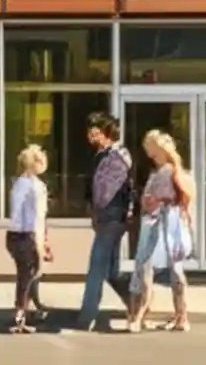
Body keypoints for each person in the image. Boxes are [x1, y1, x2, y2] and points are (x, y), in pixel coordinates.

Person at [128, 130, 194, 333]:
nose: (148, 153)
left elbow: (182, 198)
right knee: (168, 269)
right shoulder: (165, 171)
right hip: (160, 222)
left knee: (149, 268)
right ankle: (178, 316)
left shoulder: (169, 171)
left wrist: (156, 201)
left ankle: (142, 317)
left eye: (150, 147)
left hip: (163, 223)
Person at [76, 111, 133, 331]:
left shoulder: (117, 156)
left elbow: (106, 190)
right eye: (90, 132)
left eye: (95, 132)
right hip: (108, 216)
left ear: (107, 132)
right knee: (111, 271)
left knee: (97, 266)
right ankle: (136, 303)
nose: (91, 136)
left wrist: (97, 210)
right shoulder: (101, 154)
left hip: (113, 215)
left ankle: (87, 315)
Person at [6, 144, 52, 334]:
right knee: (27, 277)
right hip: (28, 235)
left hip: (15, 235)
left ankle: (29, 310)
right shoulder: (35, 186)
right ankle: (21, 317)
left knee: (27, 275)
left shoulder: (18, 183)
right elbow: (36, 219)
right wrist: (40, 244)